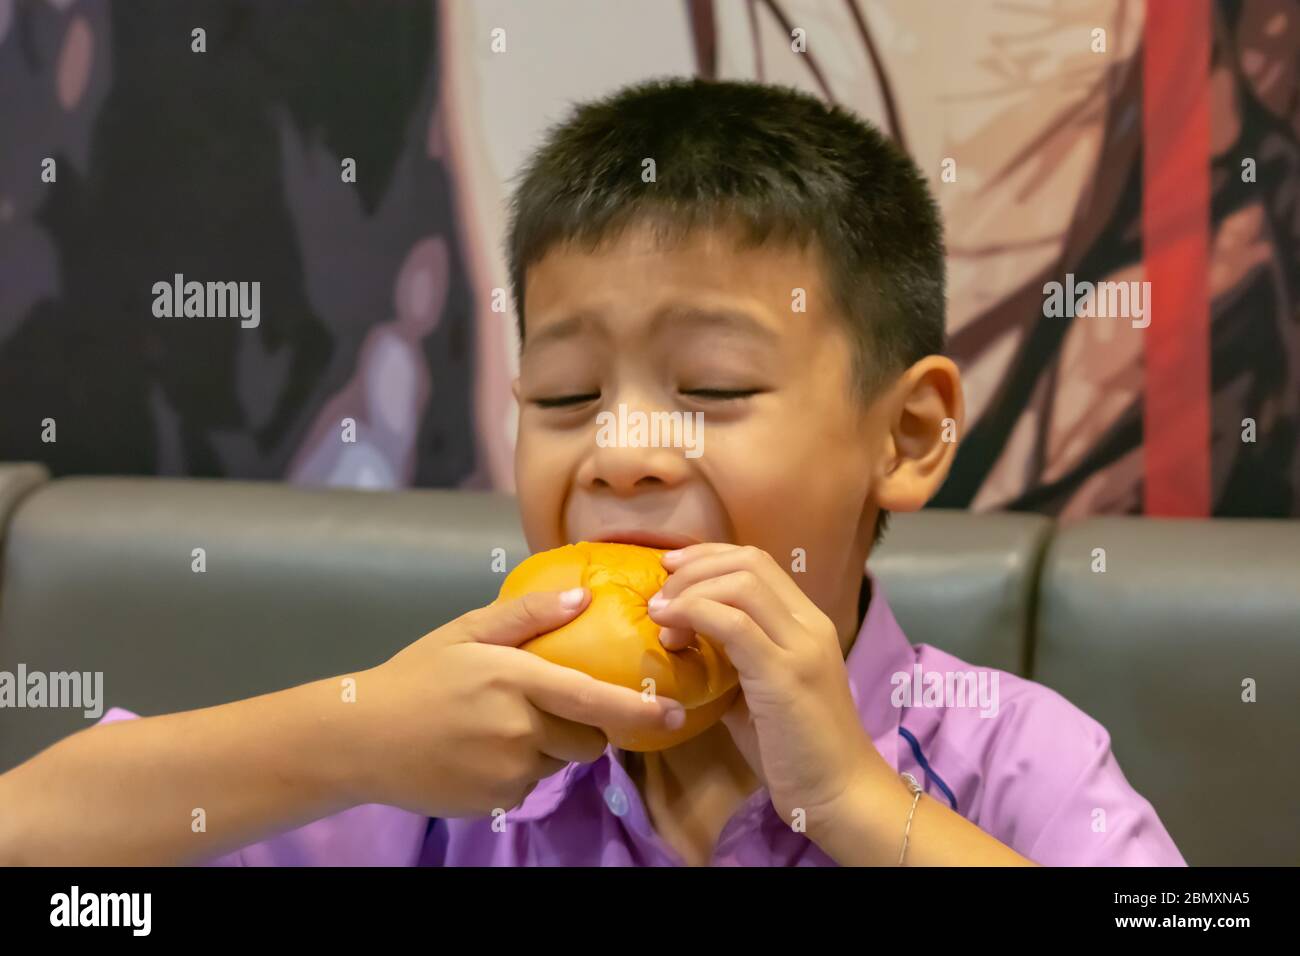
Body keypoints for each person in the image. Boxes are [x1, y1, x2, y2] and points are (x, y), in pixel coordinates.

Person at [0, 77, 1184, 866]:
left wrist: (866, 809)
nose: (618, 453)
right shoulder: (450, 767)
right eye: (563, 397)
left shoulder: (1003, 752)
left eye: (712, 388)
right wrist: (356, 737)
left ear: (909, 434)